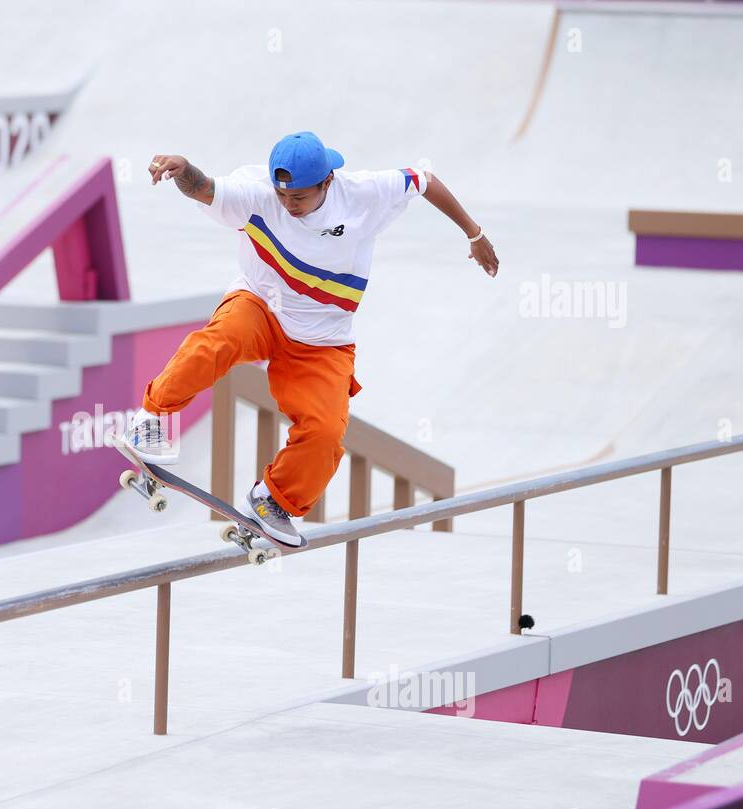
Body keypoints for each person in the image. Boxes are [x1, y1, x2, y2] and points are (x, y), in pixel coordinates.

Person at [124, 131, 498, 546]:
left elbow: (425, 180)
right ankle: (152, 418)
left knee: (325, 433)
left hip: (323, 339)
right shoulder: (257, 193)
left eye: (299, 197)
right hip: (261, 305)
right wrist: (184, 170)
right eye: (283, 196)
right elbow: (205, 187)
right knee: (219, 341)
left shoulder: (363, 193)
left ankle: (272, 500)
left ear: (327, 182)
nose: (289, 205)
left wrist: (475, 235)